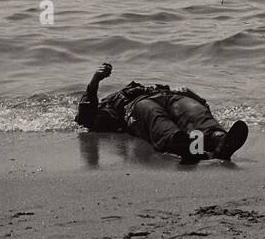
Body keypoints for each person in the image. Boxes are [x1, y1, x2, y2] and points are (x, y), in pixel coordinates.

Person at [75, 62, 249, 163]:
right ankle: (182, 145)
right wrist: (94, 81)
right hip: (135, 105)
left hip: (168, 95)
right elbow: (85, 118)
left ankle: (220, 141)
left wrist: (192, 95)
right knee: (152, 114)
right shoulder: (110, 106)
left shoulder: (151, 88)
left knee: (194, 110)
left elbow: (204, 108)